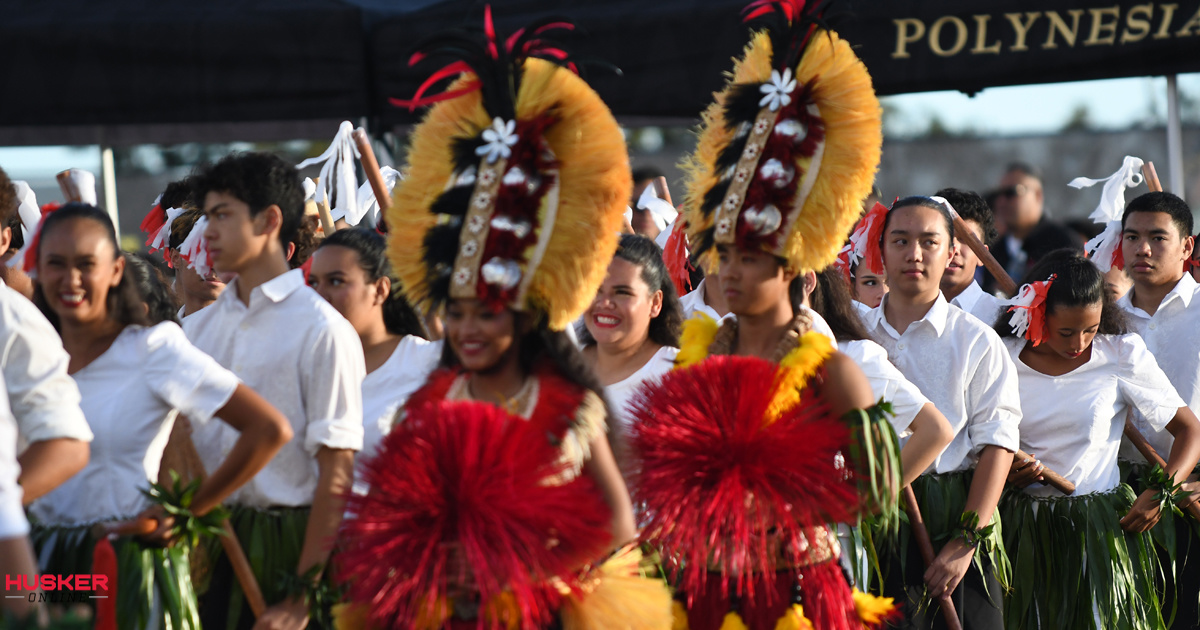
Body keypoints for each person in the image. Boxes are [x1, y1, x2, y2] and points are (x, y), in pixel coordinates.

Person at [331, 12, 670, 629]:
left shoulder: (569, 404)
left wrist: (528, 565)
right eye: (455, 314)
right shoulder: (431, 398)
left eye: (484, 314)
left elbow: (617, 525)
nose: (467, 329)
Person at [629, 2, 903, 627]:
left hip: (796, 587)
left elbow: (878, 489)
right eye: (722, 256)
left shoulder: (833, 369)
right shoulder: (702, 350)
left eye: (747, 259)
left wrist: (797, 503)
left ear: (790, 266)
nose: (728, 272)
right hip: (706, 579)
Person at [28, 202, 292, 629]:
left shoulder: (153, 349)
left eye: (86, 264)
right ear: (38, 269)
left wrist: (187, 514)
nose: (70, 278)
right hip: (34, 567)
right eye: (55, 264)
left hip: (125, 567)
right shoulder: (25, 355)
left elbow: (268, 429)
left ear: (115, 270)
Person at [184, 153, 366, 630]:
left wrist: (302, 599)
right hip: (205, 545)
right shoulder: (193, 332)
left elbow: (337, 471)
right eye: (206, 216)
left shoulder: (323, 330)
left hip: (293, 550)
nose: (207, 232)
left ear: (269, 220)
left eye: (222, 215)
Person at [998, 250, 1200, 630]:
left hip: (1099, 533)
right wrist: (1007, 467)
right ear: (1038, 313)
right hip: (1020, 531)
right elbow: (979, 439)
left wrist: (1163, 492)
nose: (1080, 342)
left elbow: (1190, 430)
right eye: (1066, 332)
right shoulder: (1002, 358)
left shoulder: (1121, 353)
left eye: (1090, 329)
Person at [862, 196, 1022, 629]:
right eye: (901, 240)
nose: (914, 254)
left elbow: (999, 443)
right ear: (881, 249)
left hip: (953, 513)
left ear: (952, 252)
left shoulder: (975, 341)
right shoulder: (854, 335)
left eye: (928, 241)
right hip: (870, 517)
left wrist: (966, 540)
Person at [1114, 191, 1200, 629]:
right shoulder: (1105, 322)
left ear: (1187, 247)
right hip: (1118, 495)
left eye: (1157, 237)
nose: (1142, 249)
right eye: (1132, 236)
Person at [307, 227, 439, 493]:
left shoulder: (429, 363)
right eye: (313, 283)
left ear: (380, 290)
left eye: (336, 281)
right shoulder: (304, 366)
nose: (319, 296)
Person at [579, 234, 682, 469]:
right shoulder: (560, 365)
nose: (605, 303)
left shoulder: (677, 375)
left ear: (655, 303)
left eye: (622, 292)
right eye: (596, 290)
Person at [986, 163, 1079, 291]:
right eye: (999, 193)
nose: (1002, 201)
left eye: (1011, 192)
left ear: (1037, 195)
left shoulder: (1064, 244)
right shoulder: (994, 250)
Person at [936, 188, 1005, 326]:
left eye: (965, 240)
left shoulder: (1002, 319)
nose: (953, 249)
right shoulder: (901, 312)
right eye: (944, 237)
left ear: (983, 256)